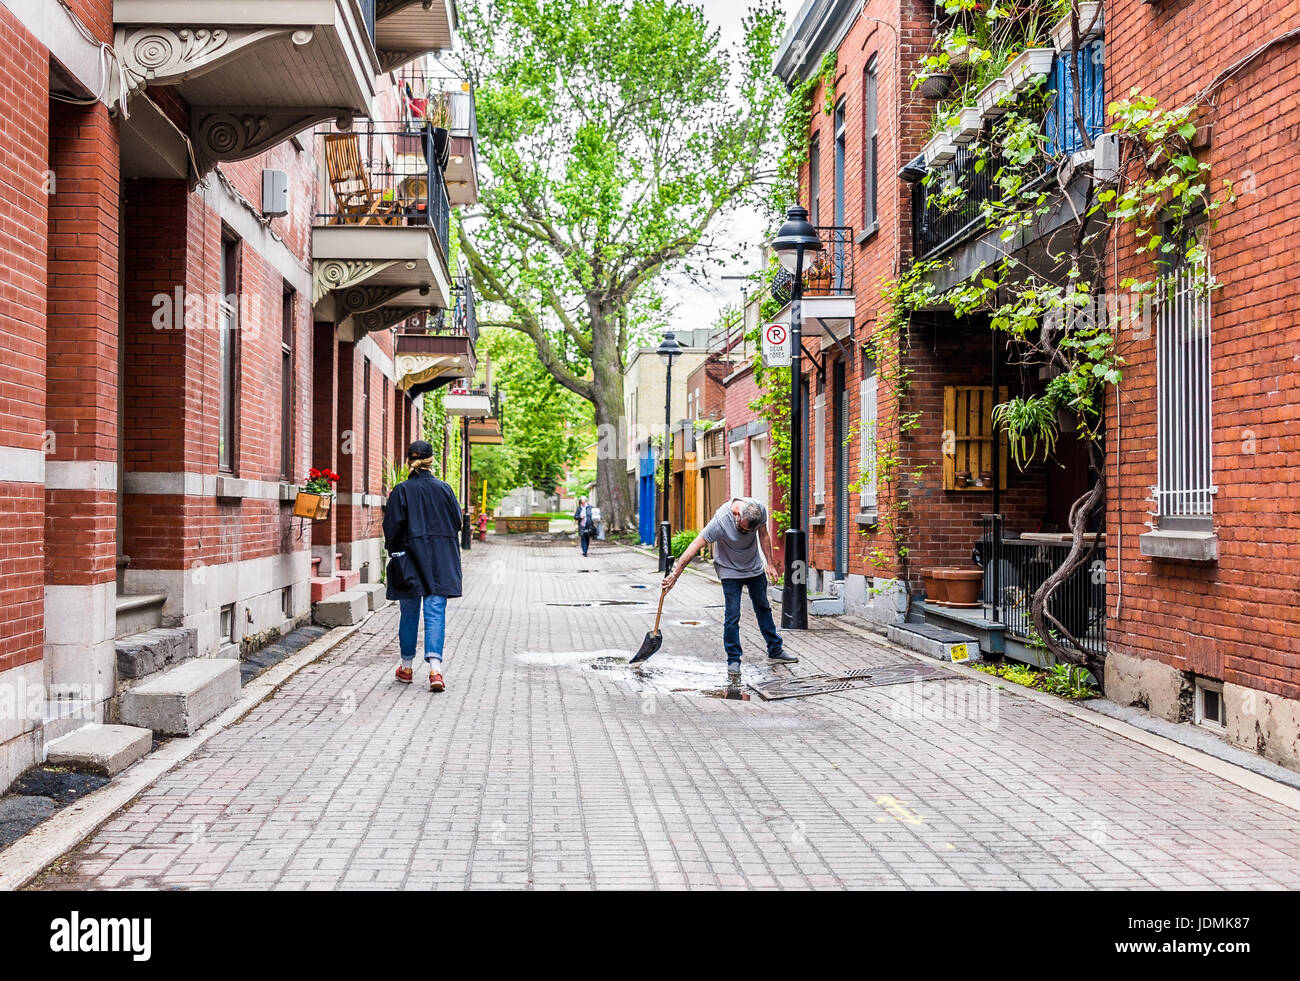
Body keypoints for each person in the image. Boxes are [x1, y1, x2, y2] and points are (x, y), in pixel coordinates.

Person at [662, 497, 799, 681]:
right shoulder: (720, 520)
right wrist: (675, 575)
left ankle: (775, 649)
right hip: (729, 571)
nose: (744, 532)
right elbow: (695, 545)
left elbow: (764, 535)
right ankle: (733, 659)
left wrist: (770, 564)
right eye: (742, 528)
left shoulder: (759, 510)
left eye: (748, 531)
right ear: (736, 515)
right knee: (732, 615)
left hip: (753, 568)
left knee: (764, 608)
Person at [383, 440, 463, 692]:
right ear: (431, 461)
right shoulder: (445, 490)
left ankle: (406, 667)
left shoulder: (401, 491)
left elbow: (391, 529)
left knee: (409, 612)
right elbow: (458, 522)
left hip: (408, 559)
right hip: (440, 560)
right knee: (435, 611)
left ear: (409, 461)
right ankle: (435, 670)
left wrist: (394, 552)